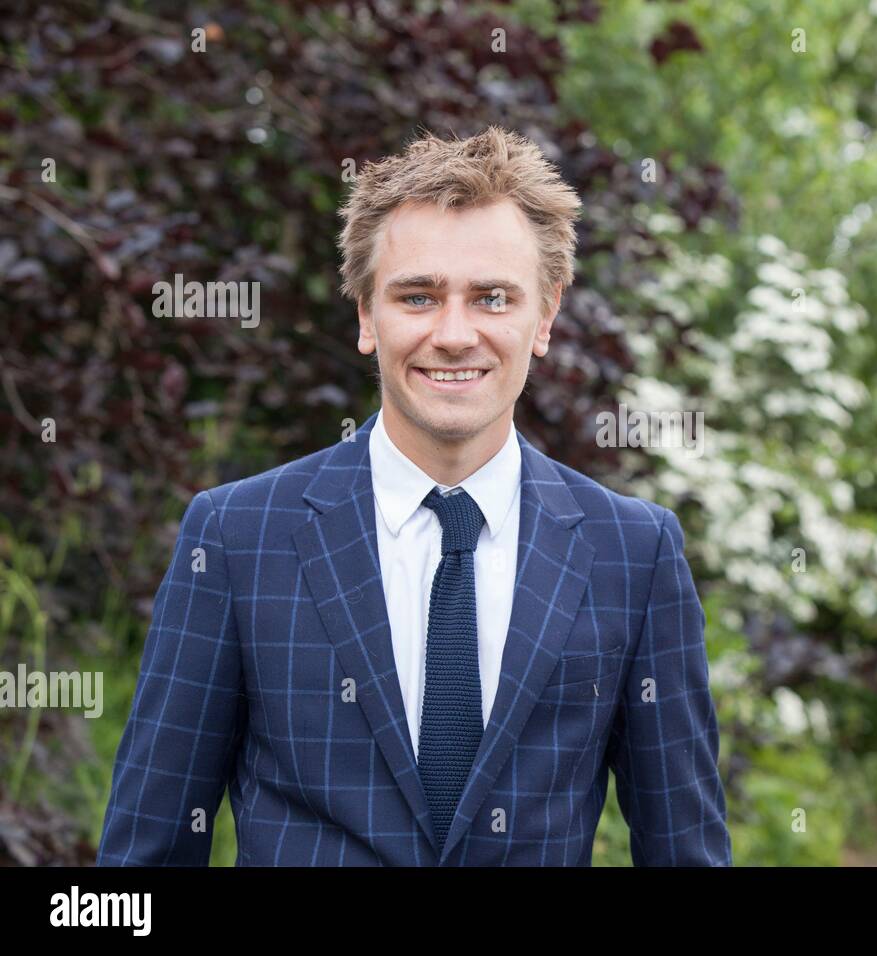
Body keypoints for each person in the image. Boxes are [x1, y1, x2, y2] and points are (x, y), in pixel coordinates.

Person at [97, 127, 732, 866]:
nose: (454, 334)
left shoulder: (634, 553)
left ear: (546, 315)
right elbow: (144, 859)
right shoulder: (237, 538)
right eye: (419, 296)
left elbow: (686, 851)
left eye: (492, 297)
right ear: (367, 314)